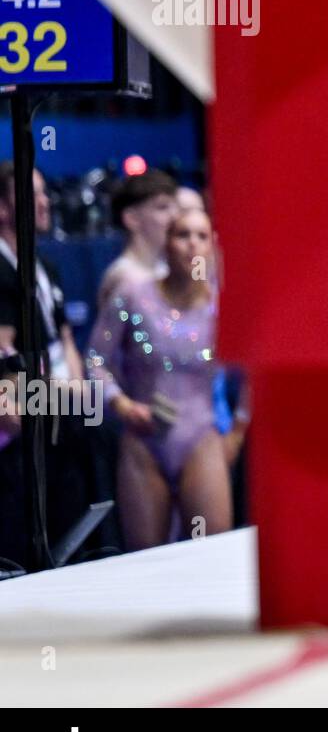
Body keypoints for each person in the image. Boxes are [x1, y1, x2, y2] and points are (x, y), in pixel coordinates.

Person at [84, 208, 245, 551]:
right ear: (166, 245)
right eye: (182, 235)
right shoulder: (133, 296)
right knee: (147, 560)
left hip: (200, 437)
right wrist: (121, 404)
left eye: (202, 236)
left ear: (213, 247)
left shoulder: (224, 307)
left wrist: (237, 433)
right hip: (144, 440)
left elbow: (256, 372)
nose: (192, 245)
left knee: (214, 554)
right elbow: (96, 360)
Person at [97, 170, 180, 310]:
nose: (175, 216)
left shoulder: (165, 268)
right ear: (132, 218)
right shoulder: (123, 277)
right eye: (162, 207)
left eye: (175, 207)